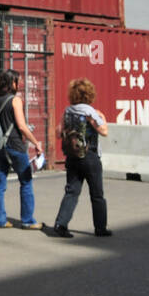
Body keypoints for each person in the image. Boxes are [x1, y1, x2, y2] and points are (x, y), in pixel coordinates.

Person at [53, 77, 112, 238]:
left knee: (71, 192)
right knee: (97, 194)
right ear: (89, 94)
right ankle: (100, 228)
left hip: (72, 157)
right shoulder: (90, 111)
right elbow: (104, 131)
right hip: (90, 156)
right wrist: (102, 117)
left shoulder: (67, 111)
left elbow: (58, 133)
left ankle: (60, 224)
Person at [0, 68, 45, 230]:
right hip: (15, 146)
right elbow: (22, 126)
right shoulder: (15, 100)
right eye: (17, 81)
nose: (19, 83)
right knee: (26, 181)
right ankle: (28, 220)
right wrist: (36, 143)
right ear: (12, 83)